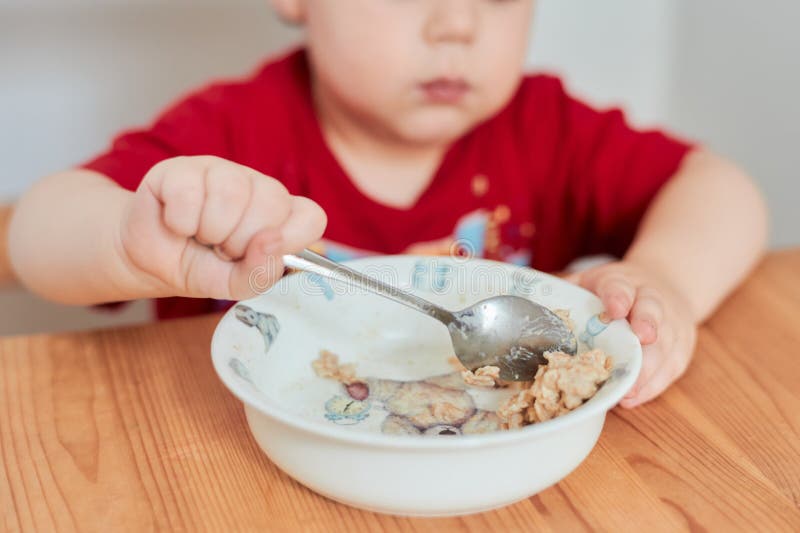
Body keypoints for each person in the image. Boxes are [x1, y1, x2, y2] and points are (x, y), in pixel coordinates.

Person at [8, 0, 768, 407]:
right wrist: (125, 237)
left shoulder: (543, 128)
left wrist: (667, 275)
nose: (456, 24)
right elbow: (36, 235)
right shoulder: (232, 133)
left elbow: (721, 189)